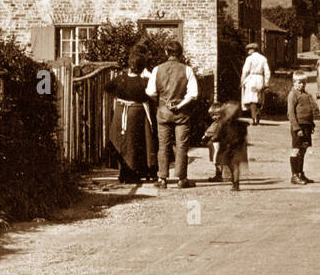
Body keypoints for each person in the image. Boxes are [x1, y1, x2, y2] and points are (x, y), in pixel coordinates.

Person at [146, 40, 198, 188]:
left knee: (163, 146)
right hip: (181, 113)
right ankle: (182, 179)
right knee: (182, 145)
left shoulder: (157, 69)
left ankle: (162, 178)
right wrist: (180, 104)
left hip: (163, 112)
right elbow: (193, 94)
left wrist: (161, 101)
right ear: (180, 53)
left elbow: (150, 91)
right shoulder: (187, 70)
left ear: (166, 52)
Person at [103, 46, 157, 183]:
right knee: (136, 143)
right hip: (137, 113)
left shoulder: (120, 79)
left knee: (122, 142)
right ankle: (135, 173)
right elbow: (151, 95)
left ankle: (124, 173)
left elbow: (107, 88)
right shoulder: (144, 82)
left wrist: (119, 97)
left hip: (120, 112)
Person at [203, 101, 248, 191]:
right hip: (238, 148)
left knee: (226, 163)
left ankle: (227, 178)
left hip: (226, 147)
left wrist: (211, 139)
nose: (214, 117)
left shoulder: (222, 124)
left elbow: (217, 135)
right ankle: (235, 182)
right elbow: (244, 136)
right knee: (235, 166)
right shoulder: (242, 124)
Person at [286, 72, 317, 184]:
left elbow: (309, 110)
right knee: (296, 150)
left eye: (304, 82)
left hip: (306, 125)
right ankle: (294, 175)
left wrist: (311, 124)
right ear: (294, 82)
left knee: (303, 149)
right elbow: (291, 113)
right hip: (298, 127)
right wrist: (297, 128)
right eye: (299, 82)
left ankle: (300, 173)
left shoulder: (305, 94)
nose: (302, 85)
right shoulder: (293, 95)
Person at [240, 42, 271, 126]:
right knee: (259, 98)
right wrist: (266, 82)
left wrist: (242, 80)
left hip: (252, 79)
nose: (248, 52)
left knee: (252, 99)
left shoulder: (249, 59)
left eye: (249, 50)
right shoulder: (263, 58)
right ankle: (257, 114)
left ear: (253, 50)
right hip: (260, 79)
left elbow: (245, 70)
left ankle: (254, 118)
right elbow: (267, 71)